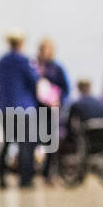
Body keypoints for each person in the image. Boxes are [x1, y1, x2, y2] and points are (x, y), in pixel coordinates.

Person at [0, 30, 39, 188]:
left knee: (6, 142)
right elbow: (34, 82)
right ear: (21, 43)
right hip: (24, 108)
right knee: (25, 144)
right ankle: (25, 179)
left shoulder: (1, 62)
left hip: (5, 107)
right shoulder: (25, 61)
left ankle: (0, 174)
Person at [36, 38, 69, 184]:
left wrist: (58, 100)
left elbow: (65, 89)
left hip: (52, 109)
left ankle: (48, 172)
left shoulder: (57, 68)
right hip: (37, 109)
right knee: (35, 140)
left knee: (51, 141)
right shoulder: (35, 67)